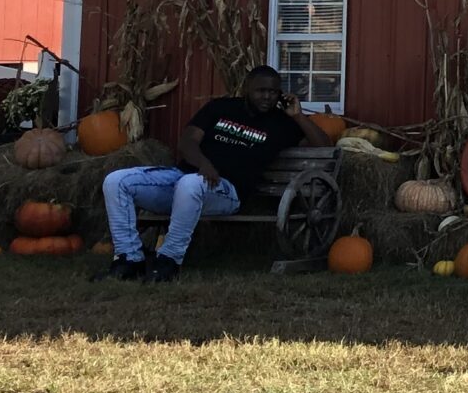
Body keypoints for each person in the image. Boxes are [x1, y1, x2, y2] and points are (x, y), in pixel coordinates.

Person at [98, 65, 321, 283]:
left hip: (227, 191)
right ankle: (128, 260)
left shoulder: (282, 125)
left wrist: (298, 116)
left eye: (273, 92)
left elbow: (323, 145)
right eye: (261, 91)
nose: (267, 97)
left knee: (190, 184)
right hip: (185, 177)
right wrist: (204, 164)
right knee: (116, 181)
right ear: (247, 89)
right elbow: (188, 141)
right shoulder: (221, 108)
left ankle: (168, 260)